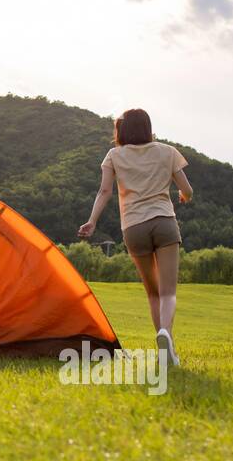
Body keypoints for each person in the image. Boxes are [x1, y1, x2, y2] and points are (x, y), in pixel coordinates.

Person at [78, 108, 193, 367]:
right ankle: (167, 336)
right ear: (147, 128)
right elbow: (187, 189)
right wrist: (184, 197)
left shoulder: (114, 155)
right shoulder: (168, 152)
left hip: (133, 227)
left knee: (153, 292)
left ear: (122, 130)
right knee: (168, 292)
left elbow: (104, 191)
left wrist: (92, 221)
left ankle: (165, 344)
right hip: (164, 223)